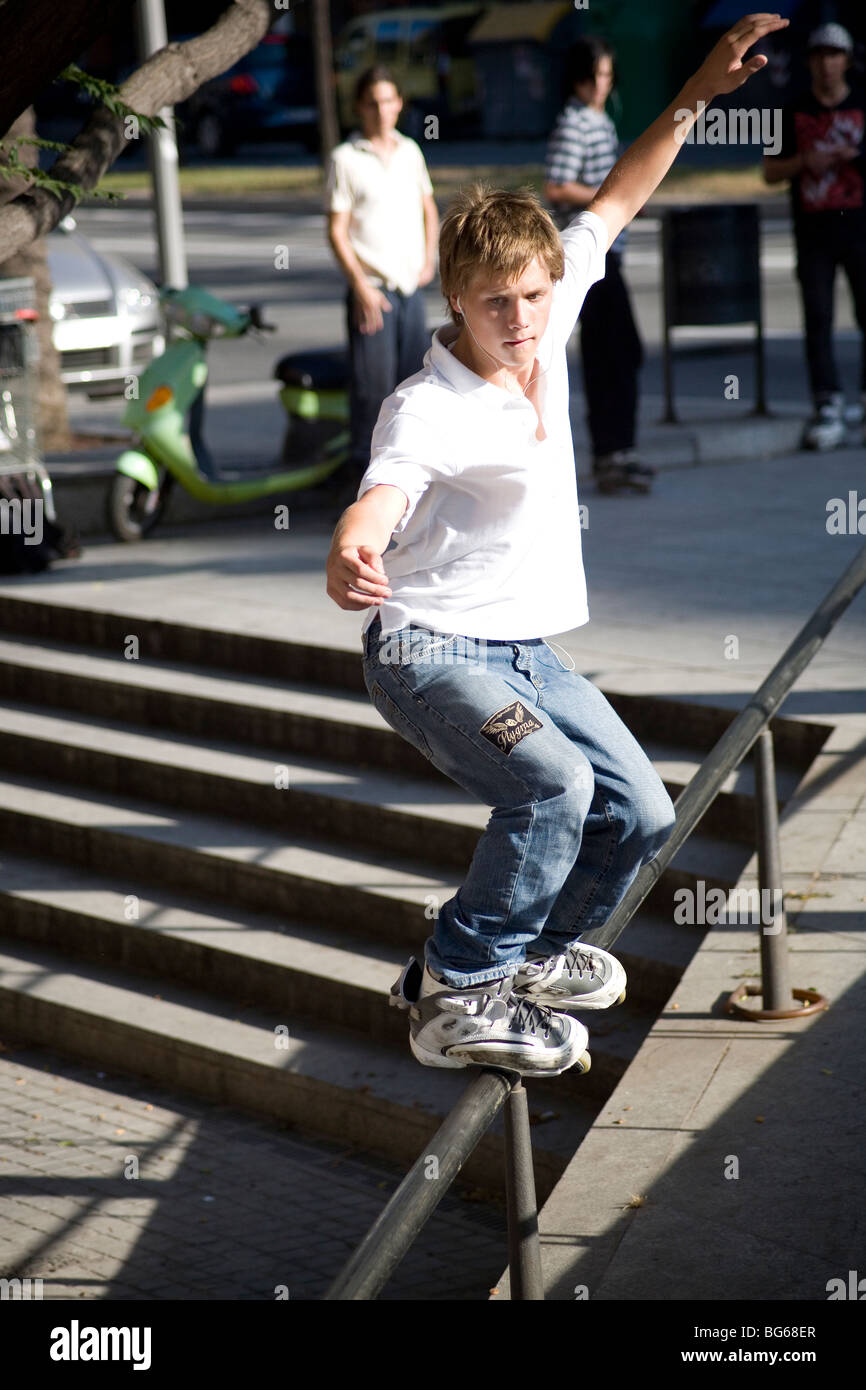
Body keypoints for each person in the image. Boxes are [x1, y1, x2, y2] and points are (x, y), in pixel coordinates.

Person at [325, 13, 789, 1077]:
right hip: (426, 651)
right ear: (456, 300)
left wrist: (694, 95)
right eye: (496, 305)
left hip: (526, 649)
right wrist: (349, 550)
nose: (522, 320)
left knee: (642, 810)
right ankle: (456, 982)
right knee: (552, 790)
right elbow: (380, 495)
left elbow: (622, 191)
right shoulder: (425, 404)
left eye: (533, 296)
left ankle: (526, 954)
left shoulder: (555, 290)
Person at [325, 66, 439, 504]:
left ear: (399, 104)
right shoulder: (346, 158)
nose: (381, 110)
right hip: (371, 290)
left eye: (388, 101)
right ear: (359, 107)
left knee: (414, 387)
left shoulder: (411, 151)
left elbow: (429, 207)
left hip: (409, 287)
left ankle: (411, 487)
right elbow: (337, 230)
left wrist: (429, 259)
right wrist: (360, 287)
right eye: (372, 102)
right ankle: (363, 494)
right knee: (373, 391)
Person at [545, 35, 650, 495]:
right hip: (589, 255)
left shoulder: (599, 120)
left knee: (625, 351)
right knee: (610, 355)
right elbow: (557, 186)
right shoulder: (574, 124)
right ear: (579, 78)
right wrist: (611, 202)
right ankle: (610, 454)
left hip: (611, 251)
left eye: (608, 76)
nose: (602, 85)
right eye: (595, 76)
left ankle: (621, 449)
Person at [763, 22, 866, 451]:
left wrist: (851, 155)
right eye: (820, 56)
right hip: (814, 230)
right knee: (818, 318)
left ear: (846, 60)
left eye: (835, 55)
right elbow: (770, 171)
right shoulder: (791, 111)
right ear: (810, 62)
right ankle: (826, 400)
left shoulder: (862, 104)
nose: (827, 65)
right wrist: (806, 160)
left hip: (860, 226)